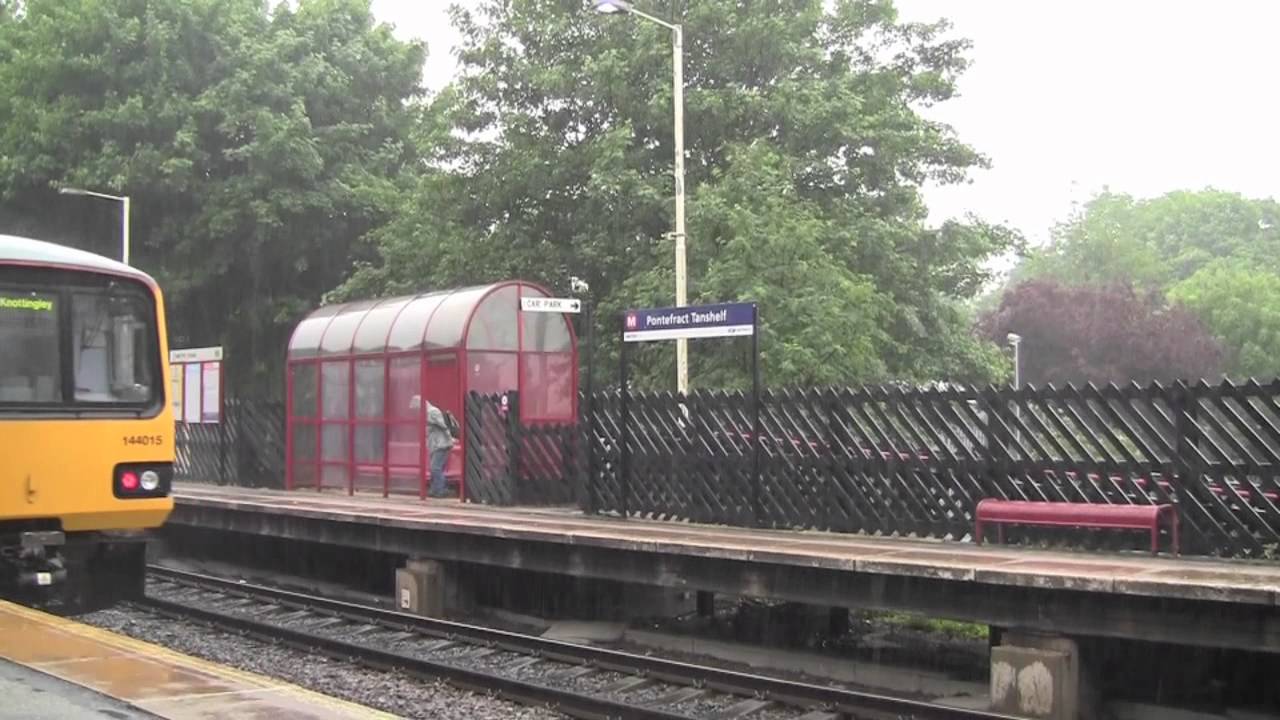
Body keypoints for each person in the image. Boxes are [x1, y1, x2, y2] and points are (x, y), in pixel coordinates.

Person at [425, 400, 455, 498]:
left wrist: (449, 438)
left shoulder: (432, 412)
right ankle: (435, 489)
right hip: (436, 444)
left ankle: (441, 489)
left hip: (441, 444)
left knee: (435, 467)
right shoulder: (428, 413)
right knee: (436, 467)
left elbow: (443, 426)